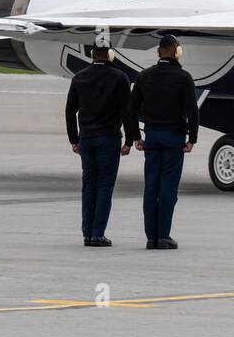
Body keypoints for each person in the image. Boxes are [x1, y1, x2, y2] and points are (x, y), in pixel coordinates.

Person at [127, 34, 199, 250]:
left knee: (151, 188)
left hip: (152, 136)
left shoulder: (144, 76)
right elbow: (192, 111)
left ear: (158, 52)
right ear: (177, 51)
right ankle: (163, 235)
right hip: (174, 137)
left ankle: (151, 237)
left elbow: (130, 109)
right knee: (168, 188)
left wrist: (135, 137)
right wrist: (192, 138)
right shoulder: (184, 77)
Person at [64, 45, 136, 247]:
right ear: (111, 55)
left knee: (88, 185)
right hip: (109, 138)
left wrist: (73, 139)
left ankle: (87, 233)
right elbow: (127, 112)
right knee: (104, 185)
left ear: (91, 55)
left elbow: (70, 112)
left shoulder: (79, 77)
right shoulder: (120, 78)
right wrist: (129, 140)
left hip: (86, 138)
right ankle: (98, 233)